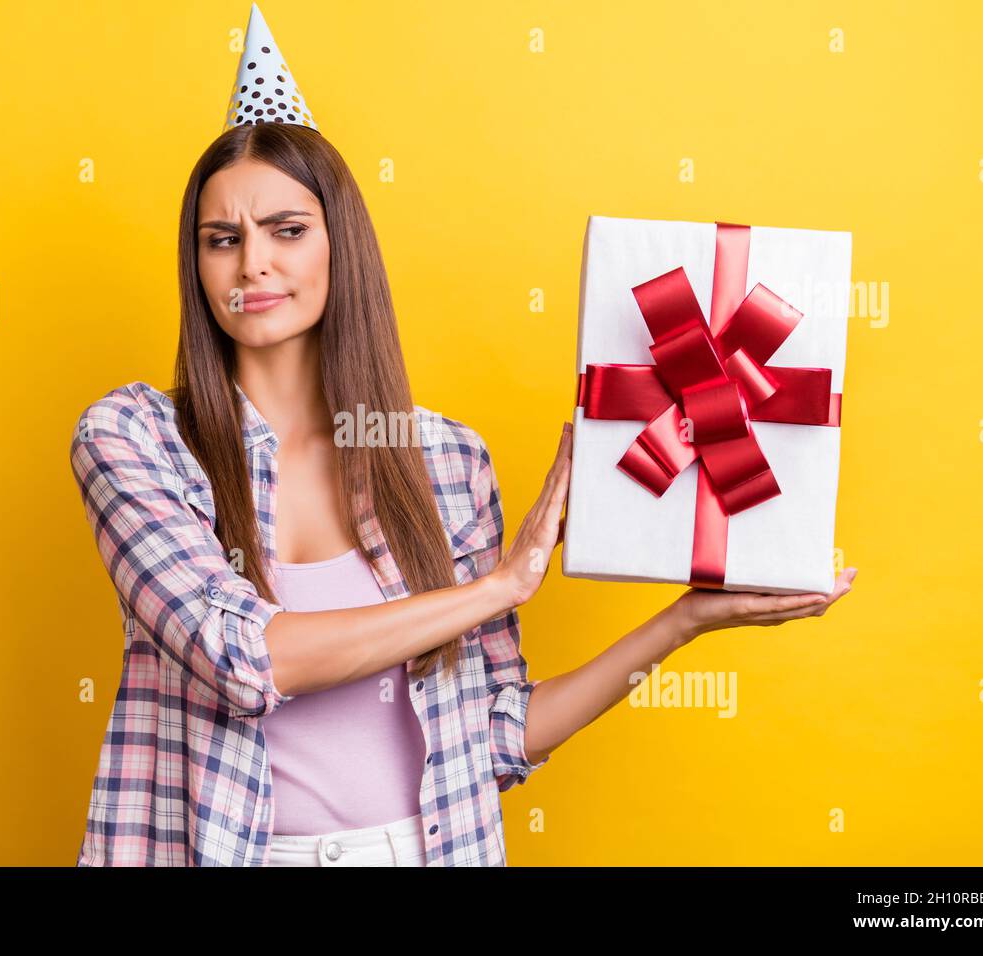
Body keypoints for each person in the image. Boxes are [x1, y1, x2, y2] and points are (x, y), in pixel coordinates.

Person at [66, 5, 857, 868]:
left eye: (287, 230)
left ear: (340, 246)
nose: (253, 262)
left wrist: (683, 623)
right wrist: (501, 588)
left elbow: (496, 738)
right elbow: (245, 659)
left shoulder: (444, 462)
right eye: (223, 240)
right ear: (198, 265)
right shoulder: (133, 439)